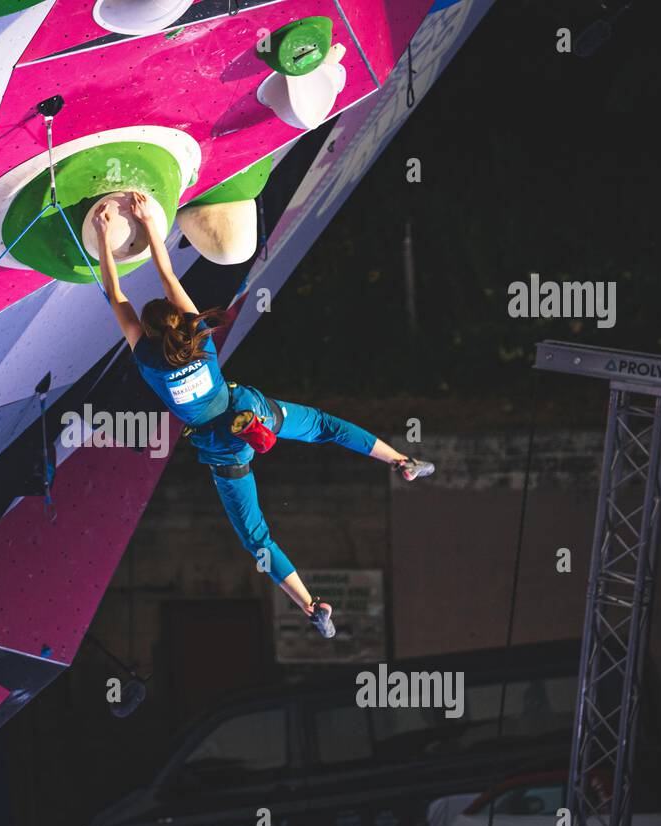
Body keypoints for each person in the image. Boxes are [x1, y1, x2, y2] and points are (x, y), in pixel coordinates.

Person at [93, 191, 434, 639]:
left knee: (259, 537)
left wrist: (103, 236)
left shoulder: (156, 356)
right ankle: (401, 462)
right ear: (175, 320)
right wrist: (131, 228)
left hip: (237, 437)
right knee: (325, 429)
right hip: (242, 414)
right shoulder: (194, 336)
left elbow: (123, 293)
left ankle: (312, 604)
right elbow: (155, 277)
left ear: (152, 331)